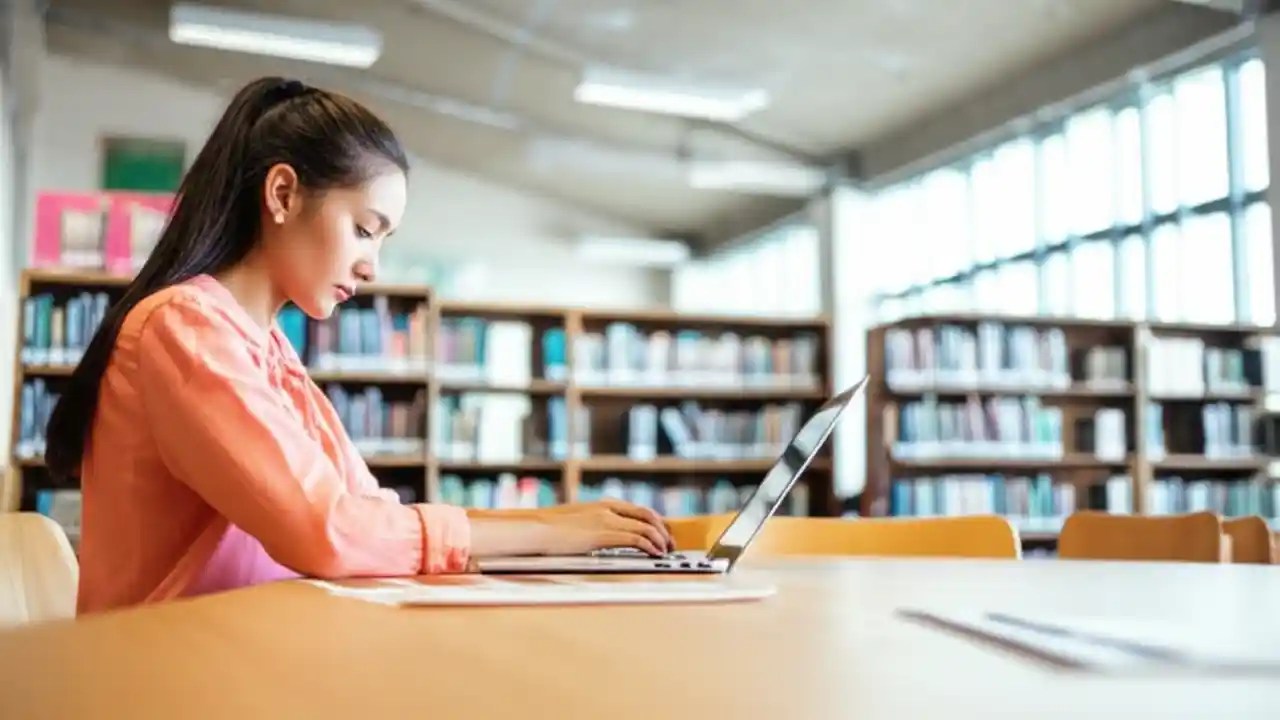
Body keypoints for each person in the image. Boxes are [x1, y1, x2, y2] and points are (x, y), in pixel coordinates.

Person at [44, 77, 673, 615]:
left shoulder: (268, 352)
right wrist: (542, 532)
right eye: (365, 230)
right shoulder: (185, 329)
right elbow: (328, 532)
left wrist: (557, 531)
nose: (372, 266)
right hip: (162, 680)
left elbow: (368, 515)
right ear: (283, 194)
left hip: (243, 657)